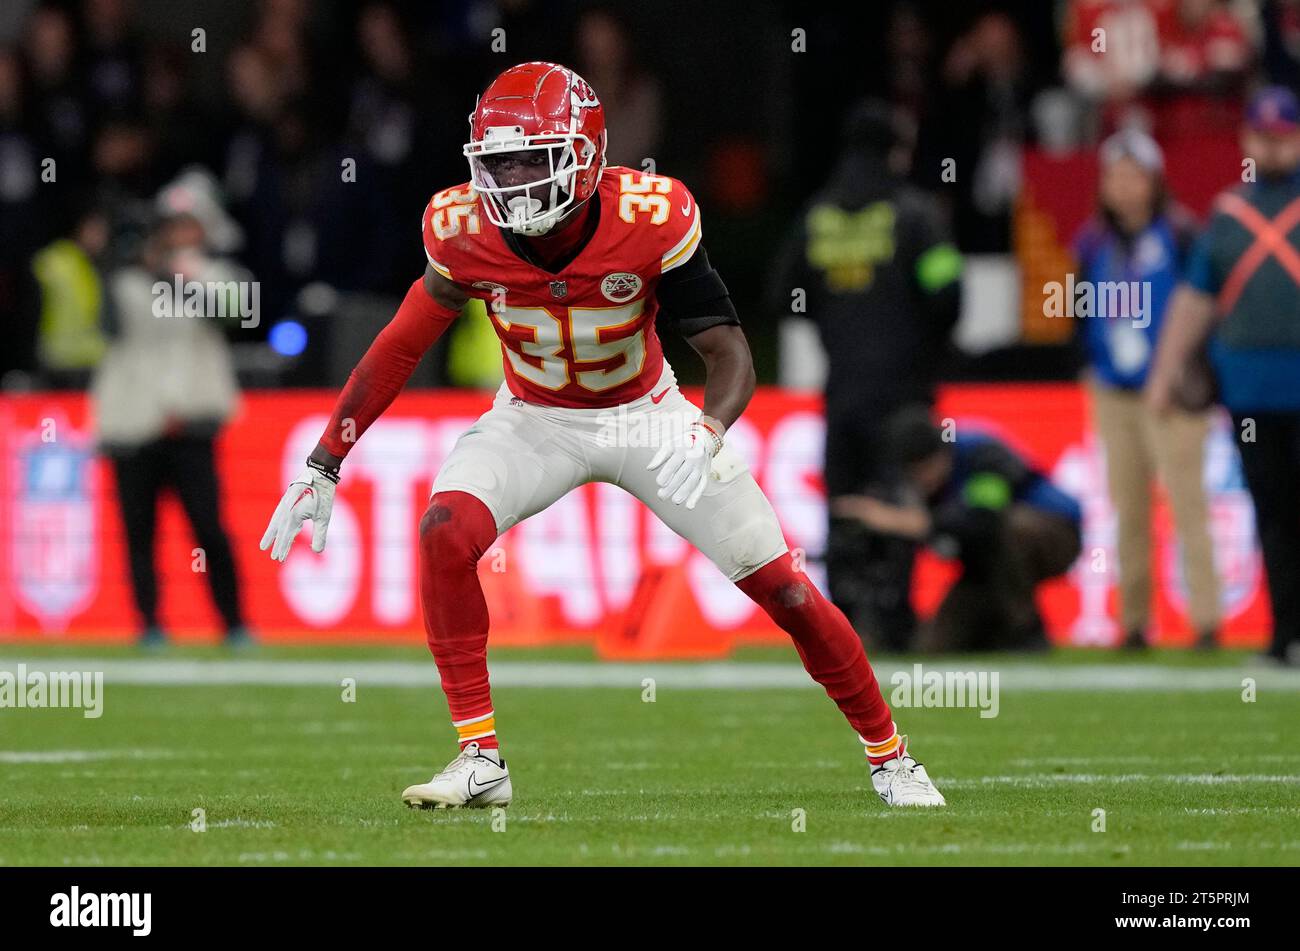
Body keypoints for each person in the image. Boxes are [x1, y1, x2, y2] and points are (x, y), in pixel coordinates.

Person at [260, 62, 947, 808]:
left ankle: (892, 756)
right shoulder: (461, 229)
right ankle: (479, 757)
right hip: (534, 417)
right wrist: (324, 463)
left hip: (648, 414)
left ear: (586, 155)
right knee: (442, 531)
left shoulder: (650, 217)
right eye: (499, 162)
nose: (514, 180)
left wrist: (708, 427)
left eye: (533, 158)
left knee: (780, 583)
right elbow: (399, 344)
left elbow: (728, 350)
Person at [770, 100, 962, 651]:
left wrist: (839, 313)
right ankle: (895, 623)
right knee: (898, 501)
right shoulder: (916, 214)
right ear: (894, 151)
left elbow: (781, 295)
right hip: (904, 393)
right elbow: (949, 294)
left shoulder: (818, 216)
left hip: (844, 388)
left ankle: (840, 625)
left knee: (845, 507)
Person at [1148, 86, 1300, 666]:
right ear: (1246, 140)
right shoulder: (1229, 214)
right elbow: (1195, 299)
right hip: (1251, 392)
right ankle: (1286, 633)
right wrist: (1165, 372)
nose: (1272, 146)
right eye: (1262, 136)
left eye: (1282, 135)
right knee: (1273, 512)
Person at [1075, 128, 1220, 650]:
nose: (1124, 187)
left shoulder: (1180, 235)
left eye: (1134, 175)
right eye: (1114, 176)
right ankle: (1135, 622)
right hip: (1114, 391)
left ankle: (1207, 621)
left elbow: (1205, 307)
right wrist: (1089, 367)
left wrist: (1188, 374)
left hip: (1174, 392)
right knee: (1127, 507)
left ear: (1155, 181)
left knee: (1187, 504)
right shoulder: (1094, 241)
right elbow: (1078, 312)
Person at [92, 206, 253, 647]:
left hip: (191, 425)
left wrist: (181, 276)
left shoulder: (211, 273)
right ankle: (149, 625)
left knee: (208, 528)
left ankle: (235, 625)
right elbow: (106, 328)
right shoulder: (122, 281)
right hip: (134, 424)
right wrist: (118, 262)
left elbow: (238, 313)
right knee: (139, 532)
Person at [834, 408, 1082, 652]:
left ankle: (1026, 629)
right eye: (914, 472)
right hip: (983, 567)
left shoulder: (982, 453)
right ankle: (998, 634)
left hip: (1055, 532)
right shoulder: (912, 488)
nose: (924, 478)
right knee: (934, 645)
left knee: (1011, 530)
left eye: (926, 467)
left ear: (942, 453)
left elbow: (985, 520)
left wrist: (905, 522)